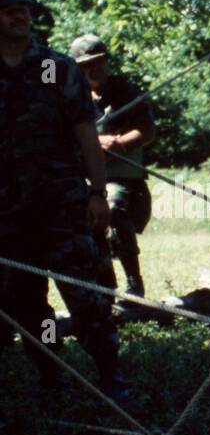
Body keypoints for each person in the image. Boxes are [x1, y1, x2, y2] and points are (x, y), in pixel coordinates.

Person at [0, 0, 131, 403]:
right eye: (8, 9)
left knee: (84, 295)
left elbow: (84, 133)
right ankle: (51, 373)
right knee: (29, 304)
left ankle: (111, 375)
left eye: (23, 8)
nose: (19, 15)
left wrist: (98, 192)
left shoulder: (53, 68)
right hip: (8, 217)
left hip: (62, 207)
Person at [70, 34, 156, 298]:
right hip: (86, 178)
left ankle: (134, 284)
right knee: (81, 222)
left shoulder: (126, 91)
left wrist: (118, 145)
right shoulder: (73, 95)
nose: (94, 68)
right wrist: (95, 143)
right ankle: (106, 289)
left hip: (123, 178)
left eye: (99, 62)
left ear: (107, 61)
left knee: (113, 208)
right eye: (87, 65)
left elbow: (147, 130)